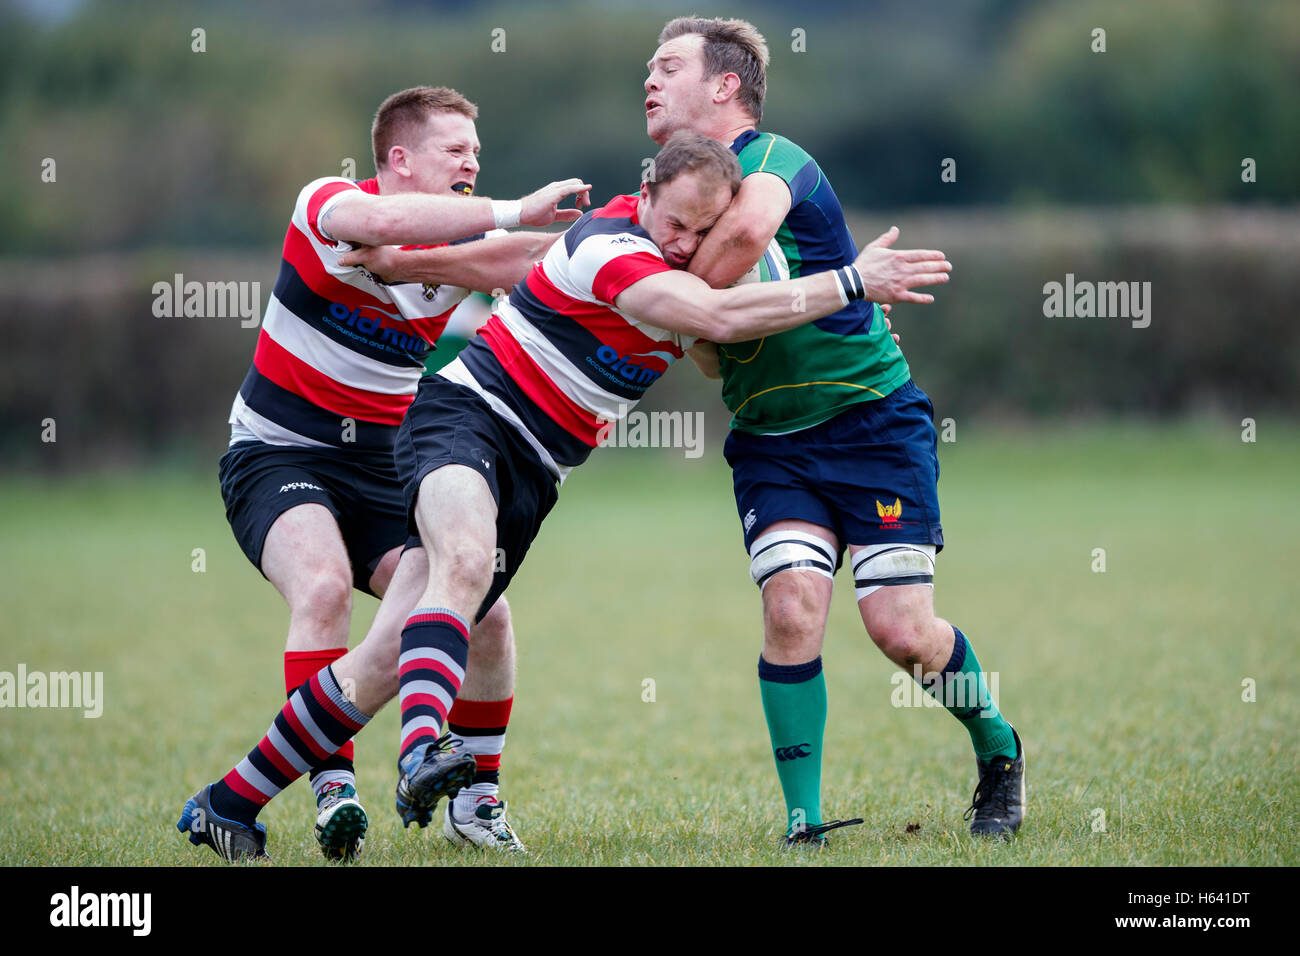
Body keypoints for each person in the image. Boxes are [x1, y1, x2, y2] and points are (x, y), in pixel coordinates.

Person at [176, 130, 950, 860]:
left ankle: (230, 801)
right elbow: (708, 316)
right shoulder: (611, 246)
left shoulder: (680, 265)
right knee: (466, 559)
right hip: (464, 420)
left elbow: (716, 349)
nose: (682, 243)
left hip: (538, 472)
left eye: (700, 232)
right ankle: (422, 747)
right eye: (674, 222)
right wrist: (852, 283)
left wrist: (829, 327)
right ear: (644, 192)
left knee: (384, 656)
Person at [643, 17, 1026, 844]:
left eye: (667, 66)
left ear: (724, 87)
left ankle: (999, 748)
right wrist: (697, 323)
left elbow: (743, 241)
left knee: (900, 630)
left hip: (870, 424)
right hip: (772, 440)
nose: (648, 80)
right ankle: (804, 822)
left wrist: (682, 307)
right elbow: (709, 360)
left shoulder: (774, 160)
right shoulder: (668, 204)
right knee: (790, 609)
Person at [187, 84, 588, 860]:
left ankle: (476, 800)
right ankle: (332, 785)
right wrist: (512, 206)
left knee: (486, 613)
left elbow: (536, 258)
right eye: (455, 151)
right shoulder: (330, 203)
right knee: (325, 587)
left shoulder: (452, 249)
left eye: (478, 152)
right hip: (277, 451)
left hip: (382, 461)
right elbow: (383, 224)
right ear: (397, 158)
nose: (472, 162)